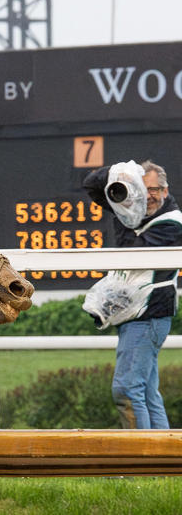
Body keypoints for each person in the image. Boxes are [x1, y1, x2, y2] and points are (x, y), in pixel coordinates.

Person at [83, 160, 182, 429]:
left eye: (155, 189)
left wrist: (125, 208)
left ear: (165, 190)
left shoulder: (172, 224)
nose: (149, 195)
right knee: (148, 395)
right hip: (134, 316)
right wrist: (122, 174)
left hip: (149, 316)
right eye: (143, 188)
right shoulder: (130, 201)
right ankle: (164, 465)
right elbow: (91, 184)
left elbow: (135, 254)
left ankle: (138, 463)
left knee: (126, 390)